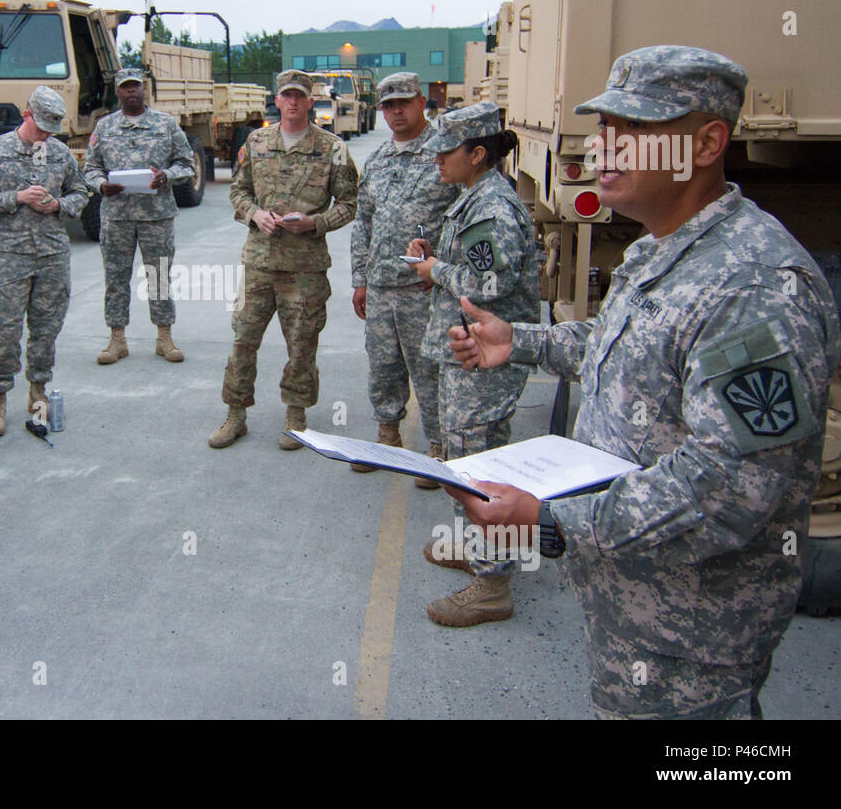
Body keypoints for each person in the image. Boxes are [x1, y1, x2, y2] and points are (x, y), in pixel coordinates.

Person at [446, 46, 840, 717]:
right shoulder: (660, 246)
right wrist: (523, 342)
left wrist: (550, 518)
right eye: (604, 127)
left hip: (691, 636)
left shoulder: (754, 284)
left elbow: (728, 492)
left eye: (636, 129)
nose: (606, 147)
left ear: (709, 141)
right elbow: (621, 349)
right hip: (638, 606)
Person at [406, 102, 539, 626]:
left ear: (477, 153)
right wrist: (432, 255)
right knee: (464, 459)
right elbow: (474, 264)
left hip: (484, 361)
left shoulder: (489, 207)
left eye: (447, 150)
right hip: (467, 352)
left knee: (480, 463)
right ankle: (483, 551)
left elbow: (491, 284)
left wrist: (434, 269)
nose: (437, 158)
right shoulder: (473, 198)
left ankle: (493, 584)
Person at [210, 69, 358, 449]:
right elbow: (238, 193)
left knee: (301, 343)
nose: (293, 102)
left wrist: (315, 222)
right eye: (286, 96)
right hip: (258, 263)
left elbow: (350, 204)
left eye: (300, 96)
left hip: (305, 267)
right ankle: (235, 414)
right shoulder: (256, 143)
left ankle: (296, 414)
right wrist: (254, 215)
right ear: (276, 101)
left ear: (311, 101)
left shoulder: (332, 149)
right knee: (243, 339)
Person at [349, 72, 457, 481]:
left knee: (429, 369)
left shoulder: (444, 153)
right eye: (388, 105)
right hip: (380, 287)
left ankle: (437, 447)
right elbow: (364, 222)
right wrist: (360, 278)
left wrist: (443, 267)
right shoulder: (377, 159)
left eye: (404, 102)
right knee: (383, 366)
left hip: (423, 287)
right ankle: (387, 435)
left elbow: (462, 217)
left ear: (421, 103)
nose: (396, 111)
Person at [0, 86, 88, 437]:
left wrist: (58, 206)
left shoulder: (61, 153)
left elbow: (80, 193)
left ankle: (38, 395)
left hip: (52, 254)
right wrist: (17, 197)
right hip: (11, 255)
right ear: (26, 115)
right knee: (5, 330)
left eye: (52, 128)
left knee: (46, 329)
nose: (46, 135)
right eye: (41, 127)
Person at [83, 67, 195, 364]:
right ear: (118, 92)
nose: (131, 91)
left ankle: (164, 337)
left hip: (156, 216)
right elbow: (90, 168)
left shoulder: (165, 124)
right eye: (125, 87)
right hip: (117, 216)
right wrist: (100, 185)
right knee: (116, 278)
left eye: (135, 87)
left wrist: (166, 176)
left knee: (158, 277)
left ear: (144, 90)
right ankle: (117, 339)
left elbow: (187, 165)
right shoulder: (104, 127)